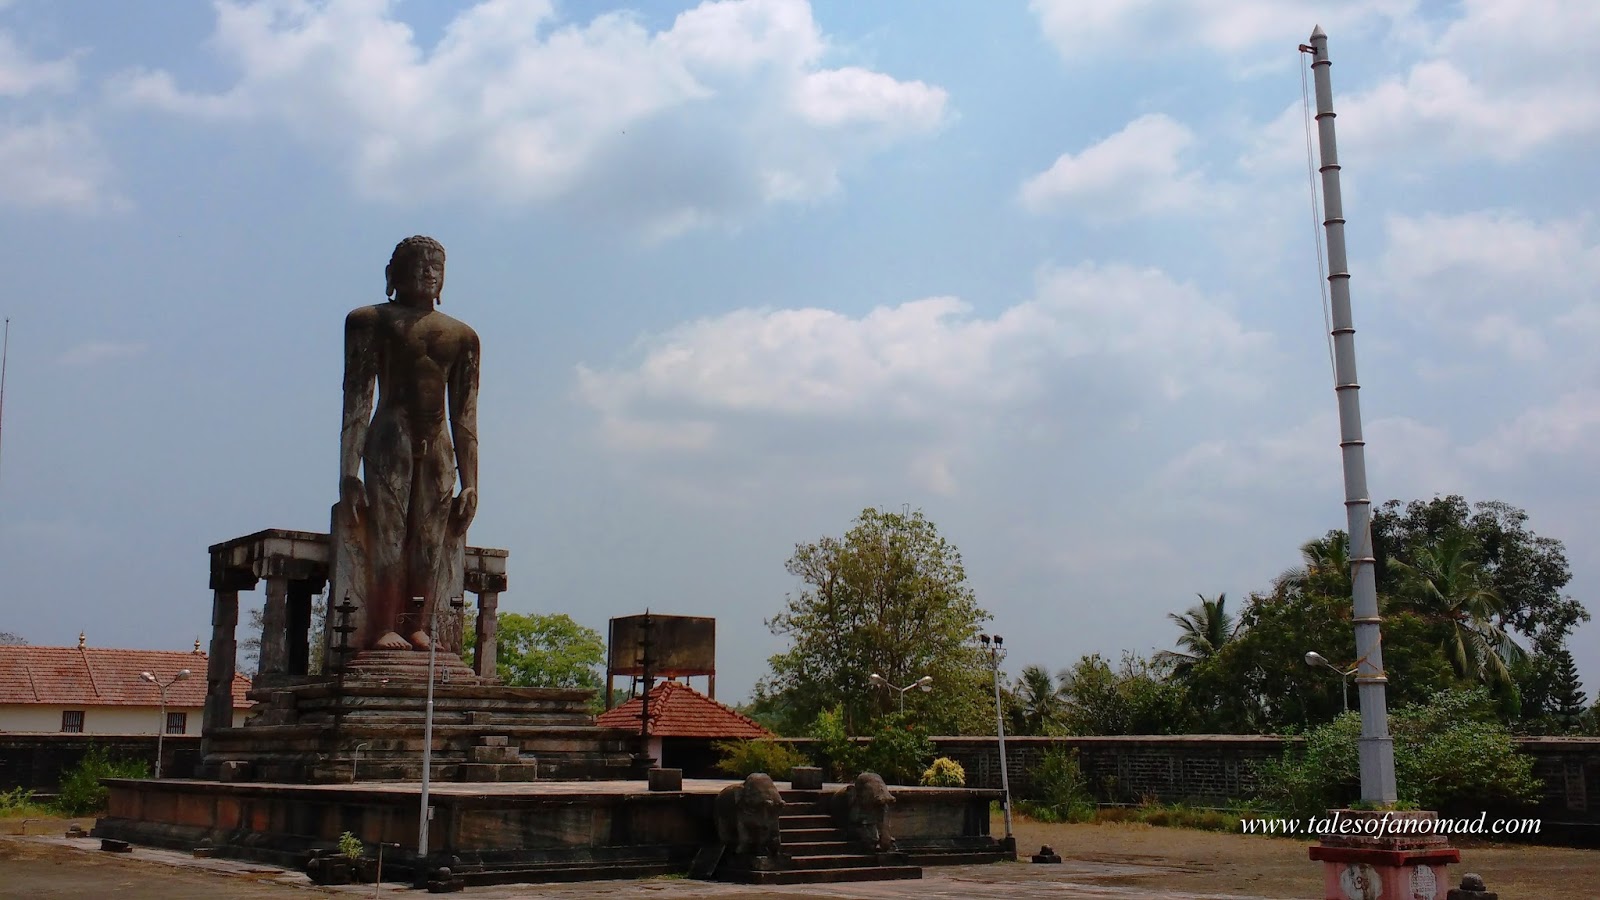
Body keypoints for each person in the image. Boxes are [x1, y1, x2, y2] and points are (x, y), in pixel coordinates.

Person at [335, 236, 479, 651]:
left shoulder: (462, 336)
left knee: (430, 542)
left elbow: (465, 416)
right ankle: (382, 625)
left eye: (435, 267)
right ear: (392, 276)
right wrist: (348, 473)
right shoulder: (369, 321)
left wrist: (471, 481)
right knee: (390, 535)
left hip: (439, 444)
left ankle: (416, 622)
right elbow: (357, 400)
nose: (427, 274)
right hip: (389, 437)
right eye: (416, 266)